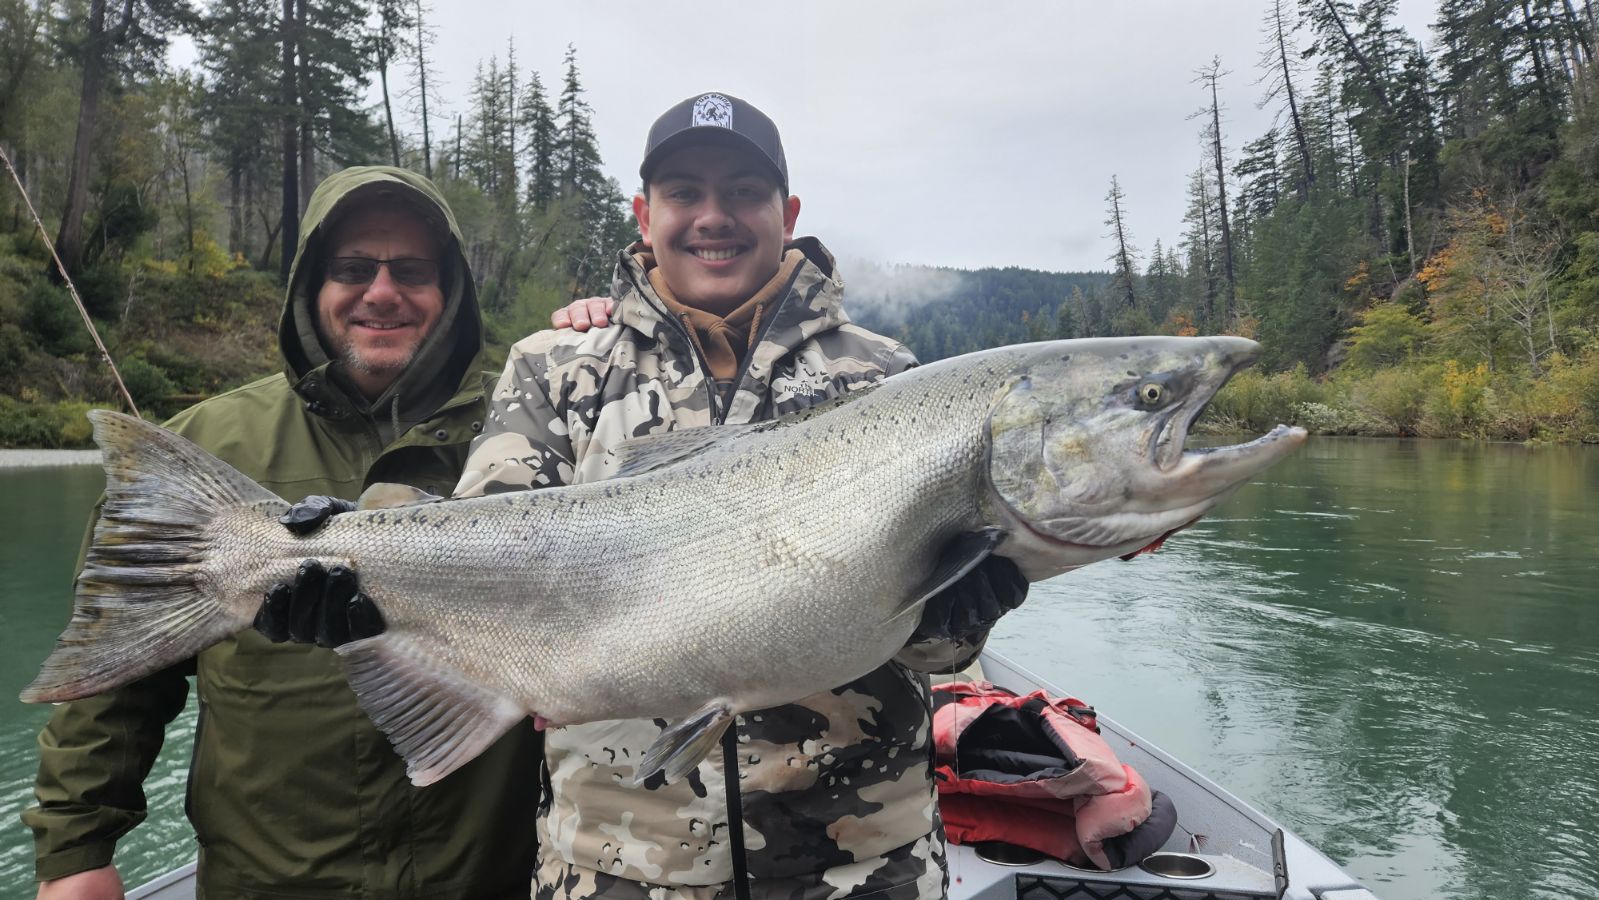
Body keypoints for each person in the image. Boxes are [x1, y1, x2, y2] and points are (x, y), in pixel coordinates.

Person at [269, 93, 1026, 900]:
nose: (713, 216)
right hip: (614, 863)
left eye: (742, 191)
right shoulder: (555, 368)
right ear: (644, 213)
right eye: (684, 193)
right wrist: (364, 585)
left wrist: (960, 616)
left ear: (787, 210)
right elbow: (484, 566)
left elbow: (937, 653)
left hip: (864, 862)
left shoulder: (887, 379)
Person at [25, 166, 543, 899]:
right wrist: (76, 852)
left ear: (450, 291)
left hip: (486, 876)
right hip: (267, 878)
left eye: (414, 271)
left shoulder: (532, 428)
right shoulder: (204, 442)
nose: (383, 292)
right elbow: (118, 681)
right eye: (353, 269)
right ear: (311, 287)